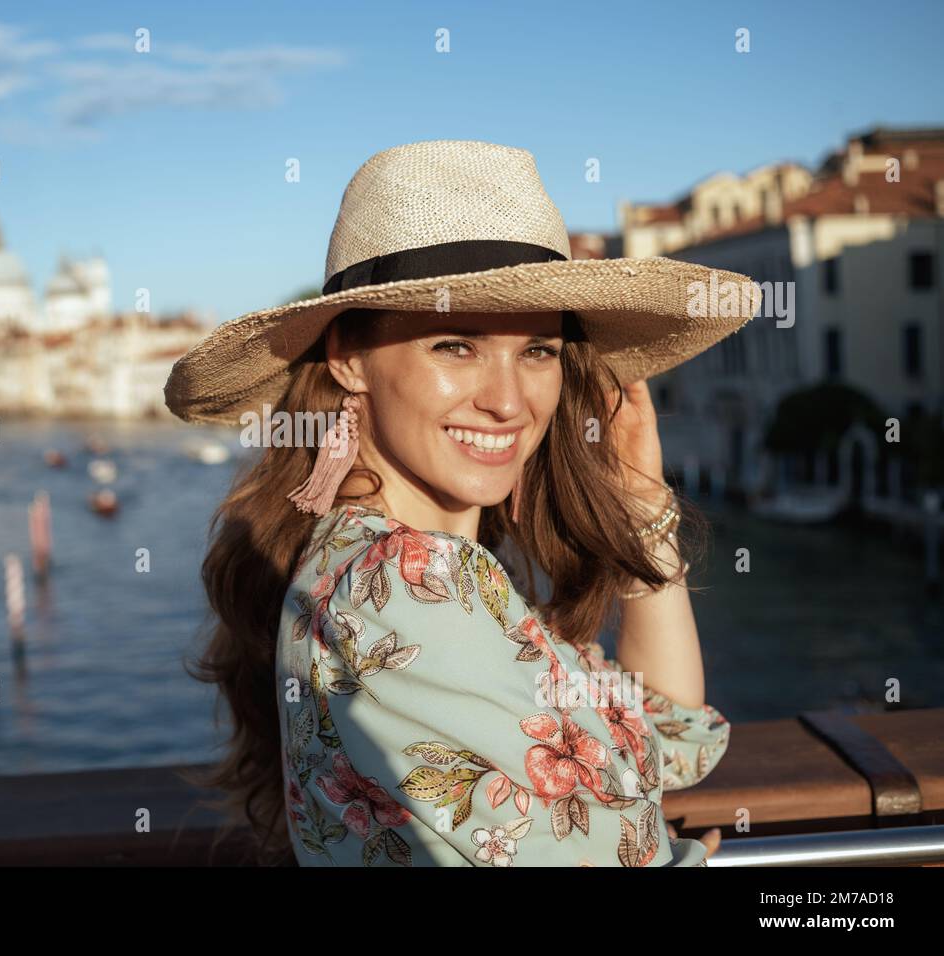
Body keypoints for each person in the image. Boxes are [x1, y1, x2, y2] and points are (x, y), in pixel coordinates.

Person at [169, 140, 748, 866]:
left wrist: (640, 511)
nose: (508, 401)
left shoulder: (383, 570)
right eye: (454, 345)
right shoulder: (408, 583)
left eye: (537, 351)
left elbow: (669, 738)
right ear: (349, 357)